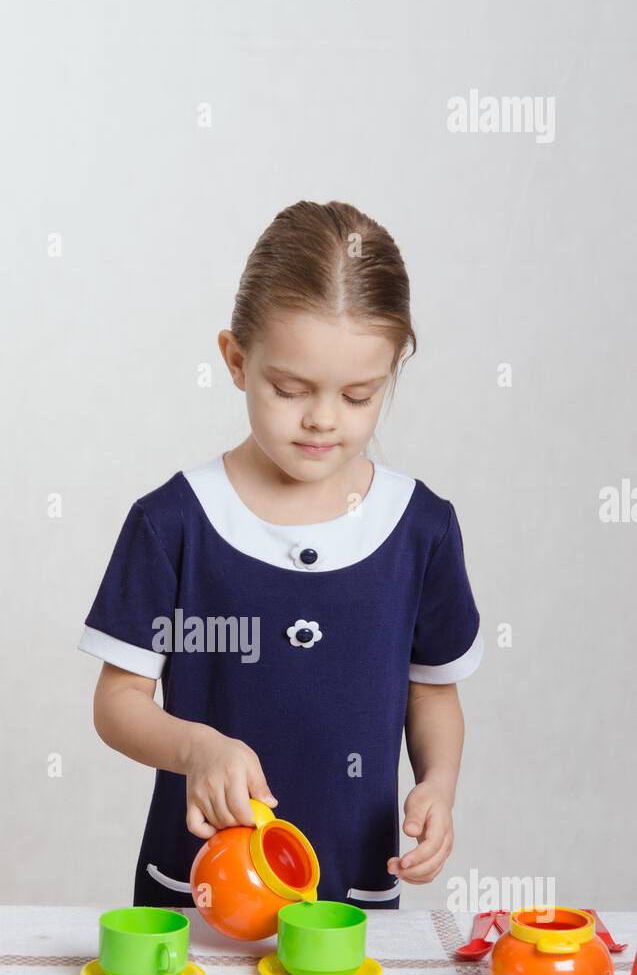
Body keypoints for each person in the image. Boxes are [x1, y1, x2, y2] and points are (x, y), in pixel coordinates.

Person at [78, 200, 483, 911]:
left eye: (358, 395)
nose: (322, 418)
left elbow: (432, 692)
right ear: (236, 360)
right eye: (289, 390)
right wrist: (197, 749)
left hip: (348, 900)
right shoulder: (172, 523)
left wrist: (437, 787)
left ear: (392, 371)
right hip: (195, 893)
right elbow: (117, 703)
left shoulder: (420, 528)